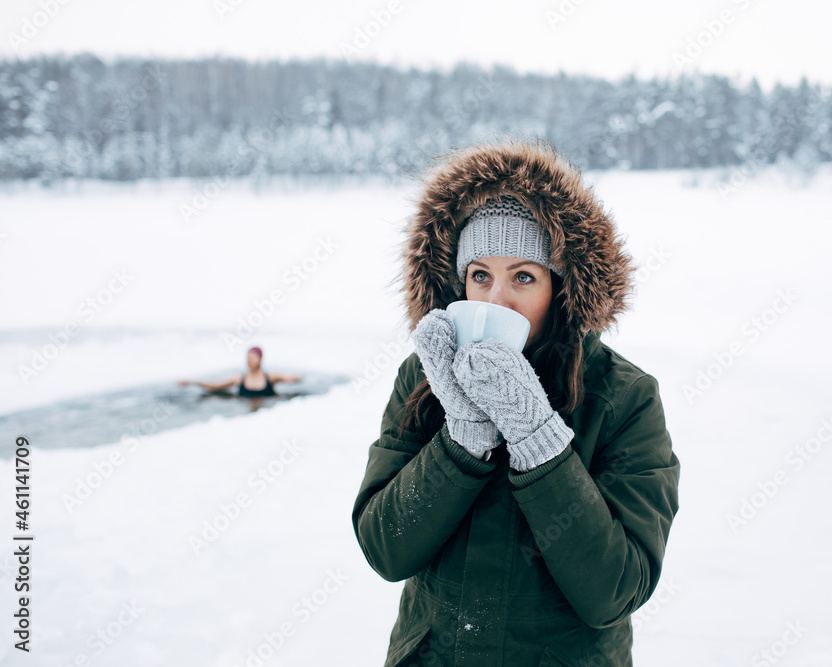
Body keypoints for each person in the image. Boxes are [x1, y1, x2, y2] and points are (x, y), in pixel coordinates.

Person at [351, 139, 681, 666]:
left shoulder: (622, 397)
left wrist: (537, 439)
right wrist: (462, 438)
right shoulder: (425, 376)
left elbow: (614, 591)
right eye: (480, 275)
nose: (495, 300)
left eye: (523, 277)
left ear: (562, 286)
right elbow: (385, 549)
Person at [178, 346, 301, 397]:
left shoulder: (270, 377)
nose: (249, 360)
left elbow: (292, 378)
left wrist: (293, 378)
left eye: (253, 358)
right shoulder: (239, 379)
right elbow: (215, 386)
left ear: (260, 359)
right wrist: (193, 382)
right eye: (248, 358)